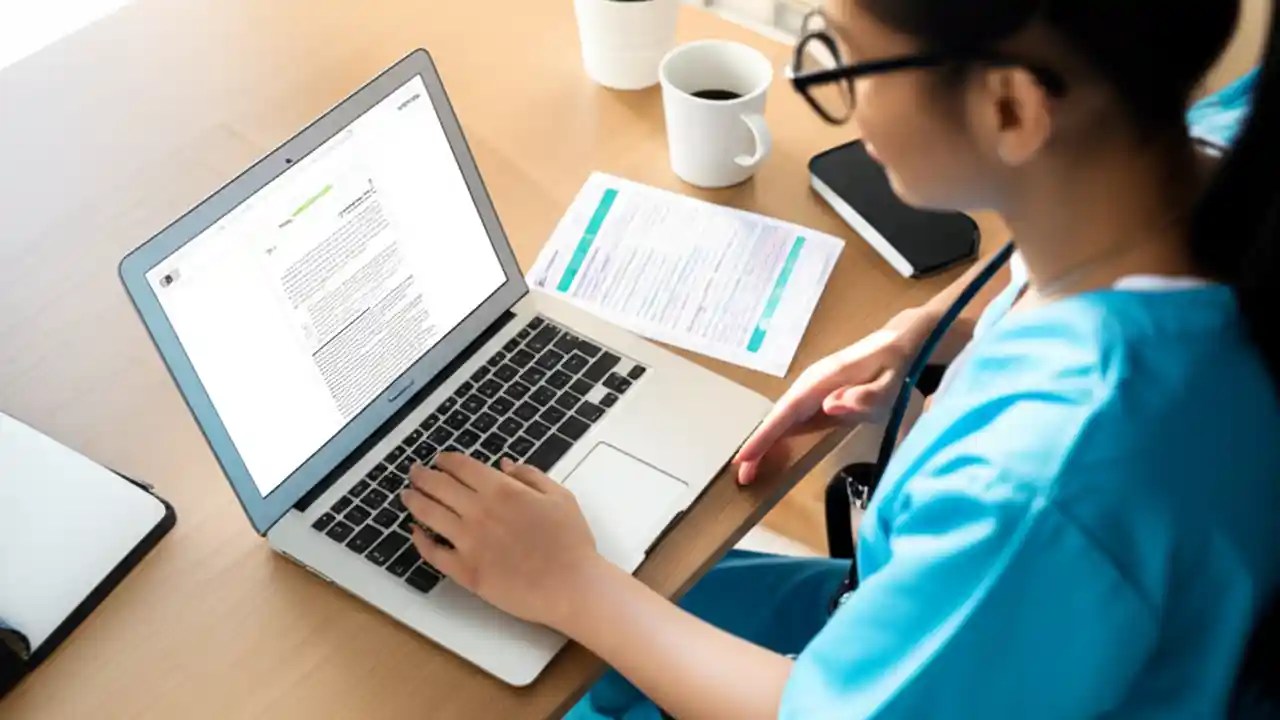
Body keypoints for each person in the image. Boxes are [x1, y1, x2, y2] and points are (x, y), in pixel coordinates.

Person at [401, 0, 1280, 716]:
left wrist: (572, 587)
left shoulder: (1049, 483)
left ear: (1010, 107)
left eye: (844, 56)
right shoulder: (1222, 154)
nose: (837, 93)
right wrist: (940, 331)